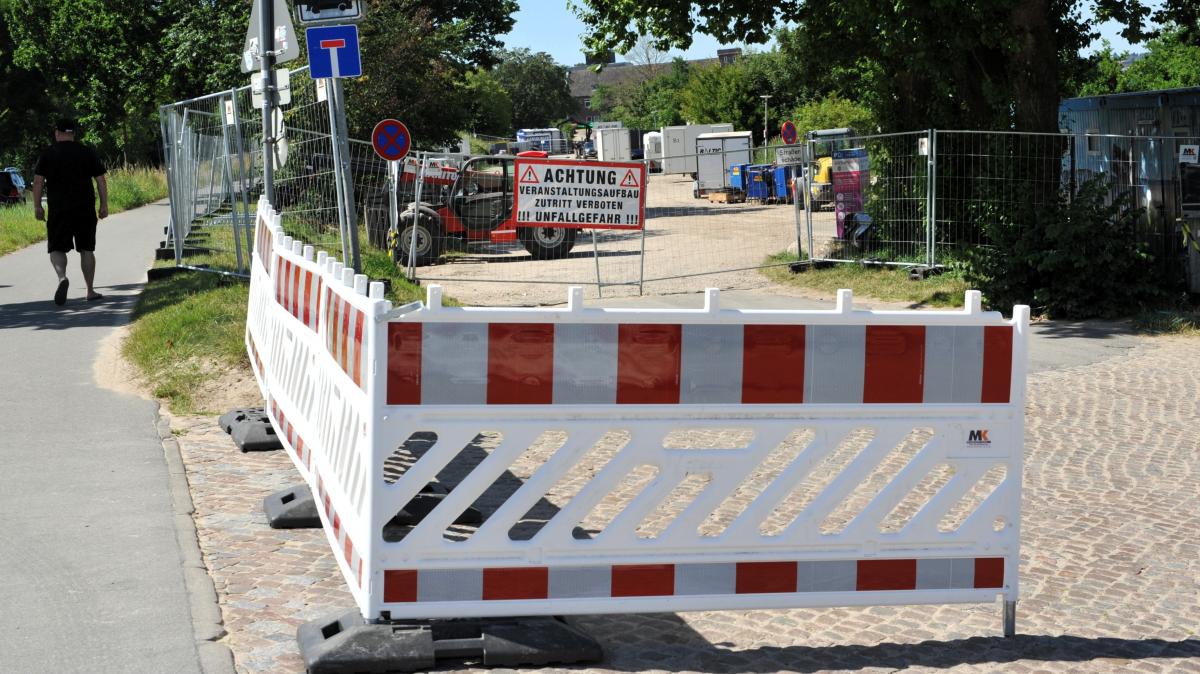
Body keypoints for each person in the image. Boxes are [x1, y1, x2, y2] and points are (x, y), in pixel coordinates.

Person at [32, 118, 108, 305]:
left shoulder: (48, 154)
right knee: (86, 249)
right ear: (73, 134)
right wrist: (104, 205)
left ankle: (62, 278)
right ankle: (89, 290)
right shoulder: (86, 152)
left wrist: (37, 206)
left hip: (59, 208)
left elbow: (39, 182)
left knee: (57, 247)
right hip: (85, 208)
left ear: (57, 133)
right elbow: (100, 180)